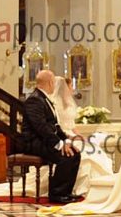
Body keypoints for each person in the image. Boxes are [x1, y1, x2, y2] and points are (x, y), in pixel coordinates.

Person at [20, 69, 81, 204]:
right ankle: (56, 194)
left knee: (75, 153)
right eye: (53, 81)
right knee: (66, 156)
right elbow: (41, 128)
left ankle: (66, 192)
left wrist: (65, 140)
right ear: (50, 82)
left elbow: (55, 126)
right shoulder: (34, 100)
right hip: (33, 142)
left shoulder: (44, 98)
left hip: (44, 140)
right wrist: (59, 144)